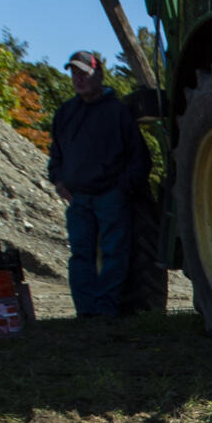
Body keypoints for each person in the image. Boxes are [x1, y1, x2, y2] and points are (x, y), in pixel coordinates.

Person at [48, 50, 149, 318]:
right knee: (81, 256)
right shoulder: (66, 113)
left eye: (84, 73)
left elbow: (139, 157)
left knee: (115, 253)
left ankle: (106, 309)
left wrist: (121, 188)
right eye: (74, 74)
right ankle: (86, 312)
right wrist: (57, 179)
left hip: (110, 197)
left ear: (98, 74)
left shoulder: (117, 112)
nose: (78, 79)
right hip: (78, 198)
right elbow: (55, 153)